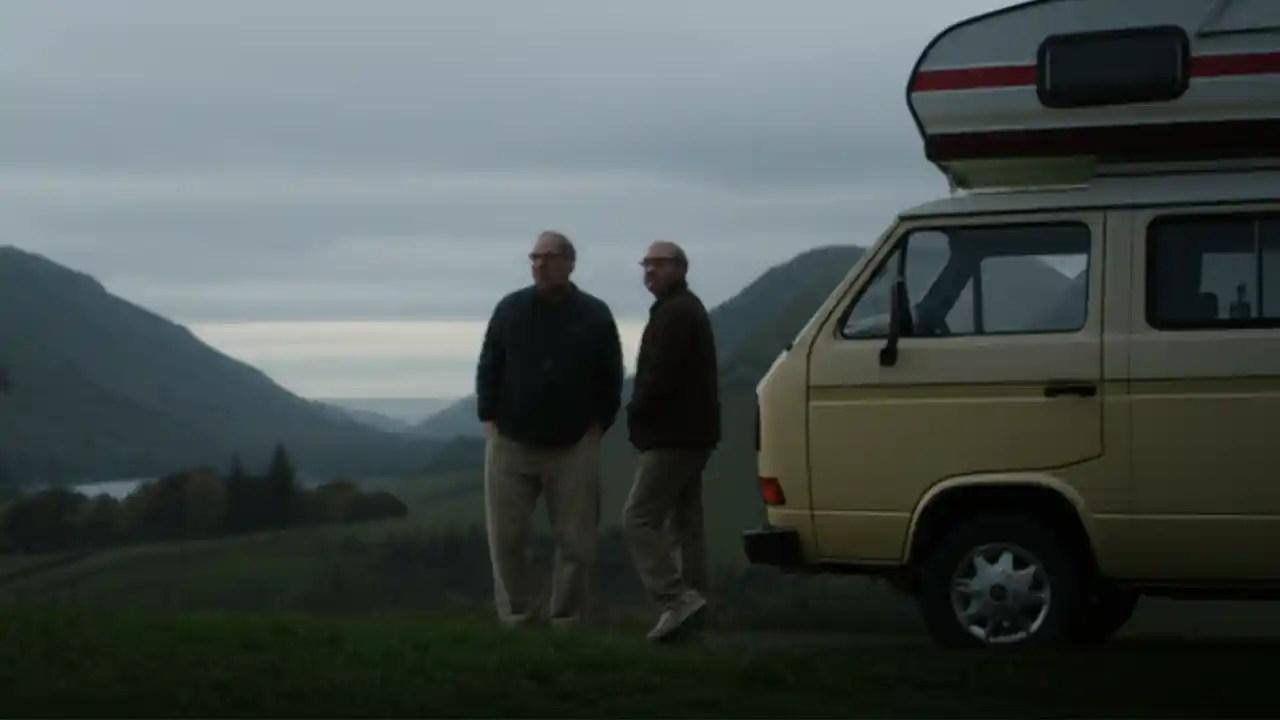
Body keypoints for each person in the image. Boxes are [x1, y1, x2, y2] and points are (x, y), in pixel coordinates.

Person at [476, 230, 624, 629]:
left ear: (570, 263)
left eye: (550, 256)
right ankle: (516, 616)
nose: (540, 264)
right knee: (506, 538)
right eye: (534, 257)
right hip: (510, 441)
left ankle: (566, 619)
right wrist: (488, 419)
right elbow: (490, 363)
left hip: (574, 444)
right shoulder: (510, 309)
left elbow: (611, 375)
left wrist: (598, 425)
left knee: (576, 541)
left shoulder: (594, 314)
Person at [622, 240, 720, 642]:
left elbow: (660, 375)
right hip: (693, 434)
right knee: (685, 524)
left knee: (638, 517)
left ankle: (675, 599)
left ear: (680, 268)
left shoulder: (676, 313)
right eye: (646, 264)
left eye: (658, 264)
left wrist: (637, 412)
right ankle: (694, 611)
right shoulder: (683, 309)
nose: (649, 271)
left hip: (673, 435)